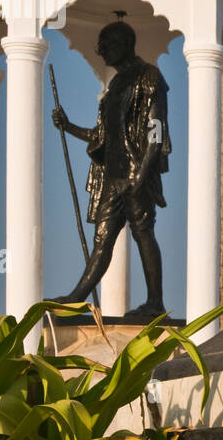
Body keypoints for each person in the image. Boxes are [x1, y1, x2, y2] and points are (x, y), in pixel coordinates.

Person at [49, 21, 170, 317]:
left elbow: (156, 132)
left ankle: (155, 303)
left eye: (107, 45)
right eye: (99, 47)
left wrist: (141, 177)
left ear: (125, 44)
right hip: (113, 177)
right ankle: (77, 299)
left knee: (143, 234)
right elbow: (104, 136)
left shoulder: (149, 78)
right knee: (102, 240)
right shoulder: (116, 85)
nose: (102, 52)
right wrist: (68, 127)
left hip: (135, 174)